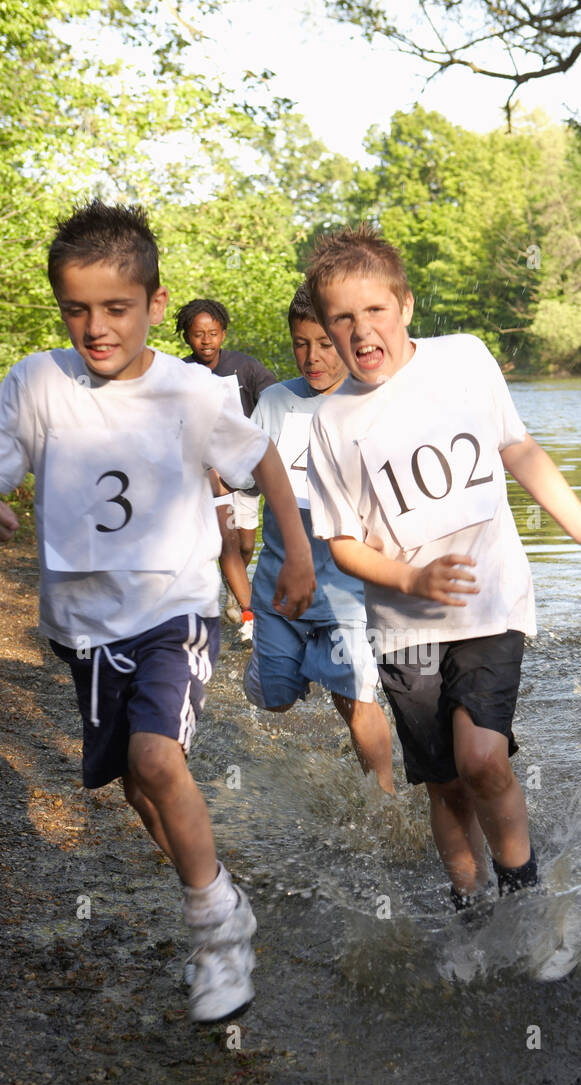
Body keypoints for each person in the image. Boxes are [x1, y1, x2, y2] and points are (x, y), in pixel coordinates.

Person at [0, 201, 316, 1021]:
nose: (95, 327)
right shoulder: (37, 382)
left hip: (175, 611)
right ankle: (219, 890)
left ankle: (217, 933)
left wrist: (294, 553)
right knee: (136, 785)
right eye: (76, 309)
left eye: (116, 308)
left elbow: (263, 460)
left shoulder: (190, 389)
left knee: (157, 761)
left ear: (155, 304)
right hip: (83, 628)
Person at [304, 224, 581, 911]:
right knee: (445, 783)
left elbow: (520, 449)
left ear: (405, 306)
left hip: (491, 601)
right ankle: (468, 900)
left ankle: (523, 890)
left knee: (481, 759)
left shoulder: (464, 359)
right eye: (341, 319)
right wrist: (408, 578)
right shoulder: (332, 422)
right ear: (325, 328)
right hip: (406, 626)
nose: (361, 330)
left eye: (374, 310)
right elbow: (344, 545)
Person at [244, 284, 394, 793]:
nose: (312, 357)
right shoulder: (275, 402)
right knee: (276, 699)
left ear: (344, 336)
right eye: (300, 344)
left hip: (346, 586)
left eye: (324, 344)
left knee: (356, 698)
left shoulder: (372, 401)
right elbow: (240, 476)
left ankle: (386, 799)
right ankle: (303, 663)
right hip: (279, 585)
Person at [176, 298, 276, 637]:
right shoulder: (181, 373)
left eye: (213, 333)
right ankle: (250, 613)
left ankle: (234, 592)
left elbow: (274, 398)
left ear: (223, 334)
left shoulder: (245, 368)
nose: (206, 341)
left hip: (246, 467)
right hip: (207, 468)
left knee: (247, 544)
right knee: (228, 542)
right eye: (198, 334)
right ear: (187, 337)